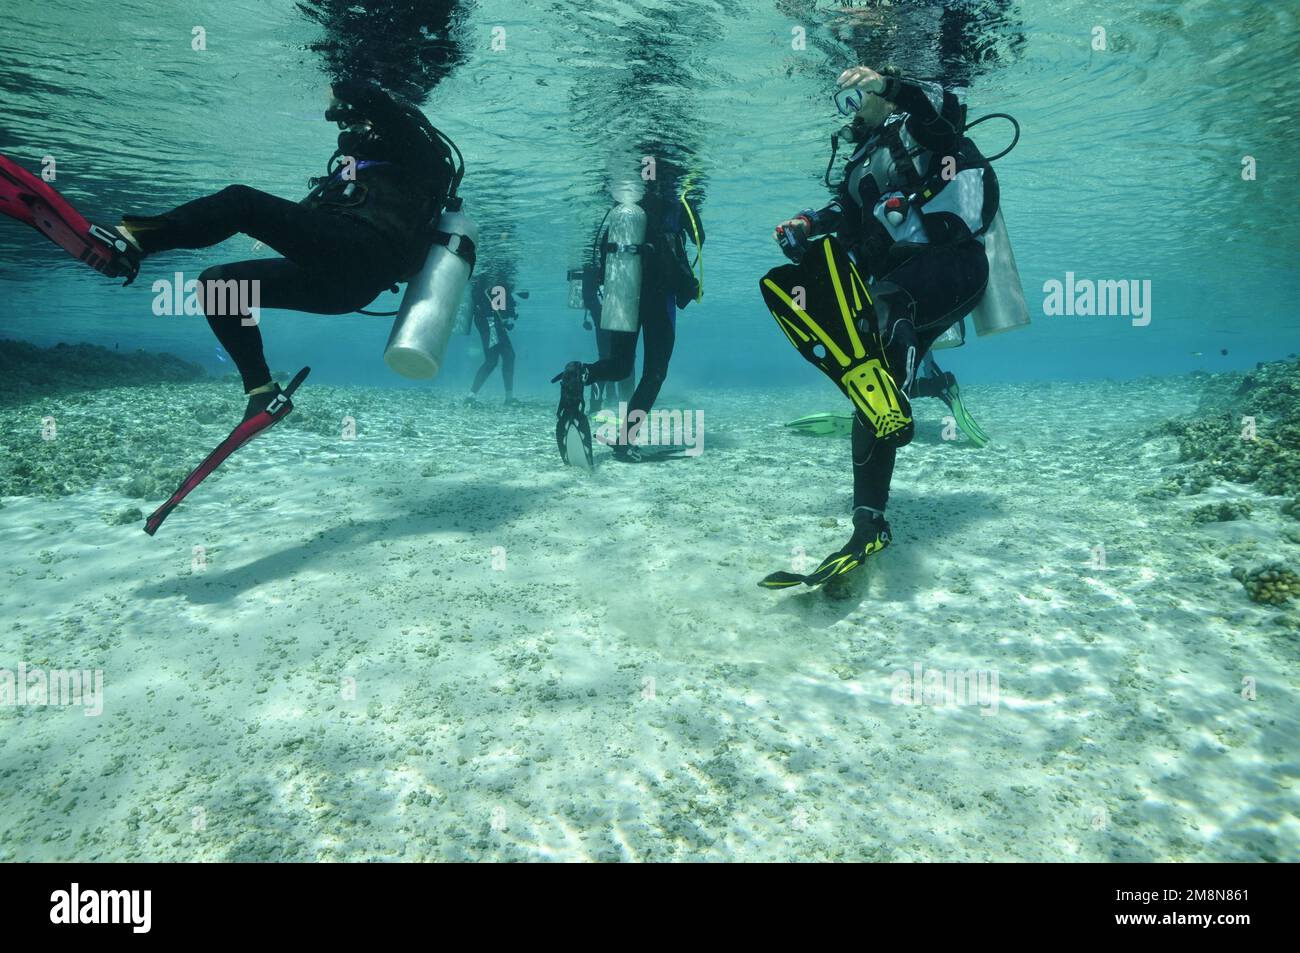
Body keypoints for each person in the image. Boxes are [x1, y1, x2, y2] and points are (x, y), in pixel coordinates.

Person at [759, 65, 996, 589]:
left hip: (952, 266)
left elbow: (938, 120)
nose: (850, 111)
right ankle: (868, 523)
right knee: (872, 387)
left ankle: (903, 391)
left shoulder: (922, 129)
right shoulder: (863, 160)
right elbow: (846, 210)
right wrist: (807, 223)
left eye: (857, 101)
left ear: (883, 99)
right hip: (902, 286)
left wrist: (886, 81)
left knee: (886, 321)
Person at [111, 79, 462, 424]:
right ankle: (262, 392)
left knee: (240, 201)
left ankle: (133, 242)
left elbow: (368, 95)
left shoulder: (416, 148)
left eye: (359, 124)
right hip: (343, 286)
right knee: (218, 287)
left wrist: (339, 84)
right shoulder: (358, 169)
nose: (351, 132)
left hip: (362, 254)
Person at [554, 167, 704, 463]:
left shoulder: (622, 210)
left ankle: (582, 372)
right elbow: (700, 236)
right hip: (660, 295)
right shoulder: (675, 199)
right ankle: (625, 442)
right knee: (654, 373)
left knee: (620, 365)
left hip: (623, 288)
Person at [464, 266, 522, 406]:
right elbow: (499, 306)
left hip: (492, 324)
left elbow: (499, 307)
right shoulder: (498, 283)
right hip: (490, 324)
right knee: (493, 359)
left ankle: (507, 398)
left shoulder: (494, 284)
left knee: (505, 357)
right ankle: (471, 397)